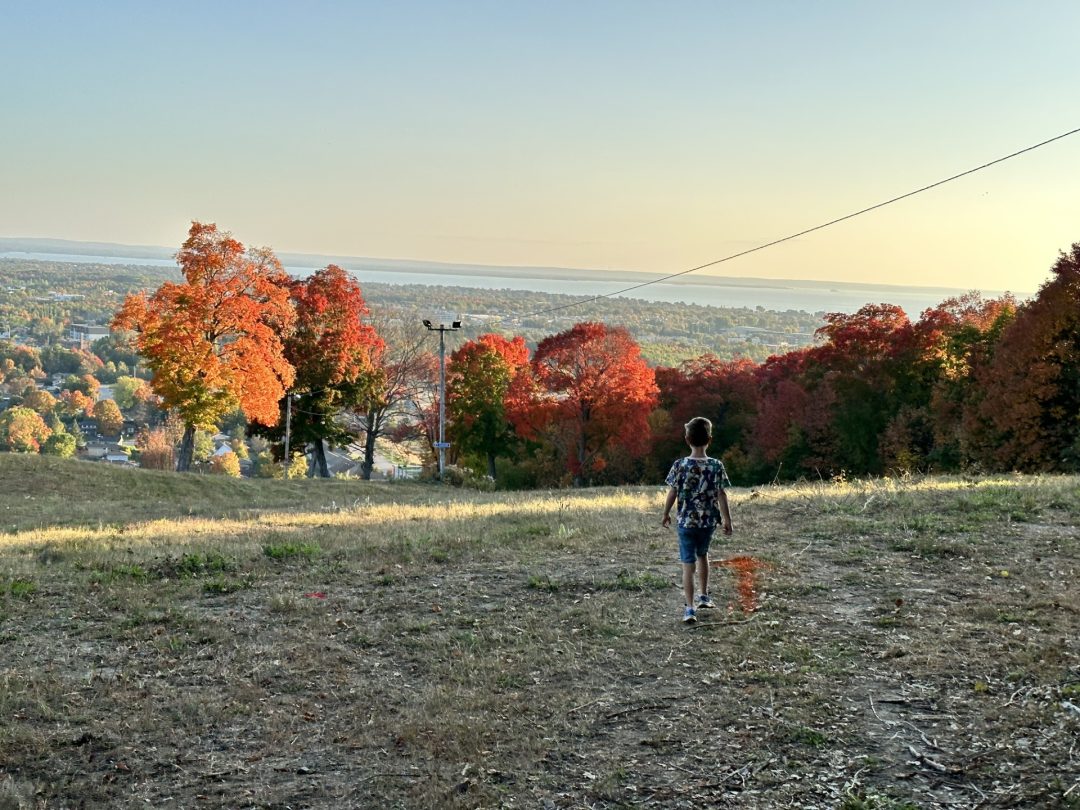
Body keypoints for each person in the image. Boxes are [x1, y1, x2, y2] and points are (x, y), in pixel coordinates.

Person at [661, 416, 733, 624]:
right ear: (710, 439)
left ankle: (690, 608)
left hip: (686, 522)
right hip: (708, 522)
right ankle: (704, 596)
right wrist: (727, 520)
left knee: (687, 564)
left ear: (687, 439)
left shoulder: (680, 465)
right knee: (703, 555)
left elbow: (672, 492)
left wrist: (666, 513)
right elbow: (722, 494)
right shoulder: (716, 466)